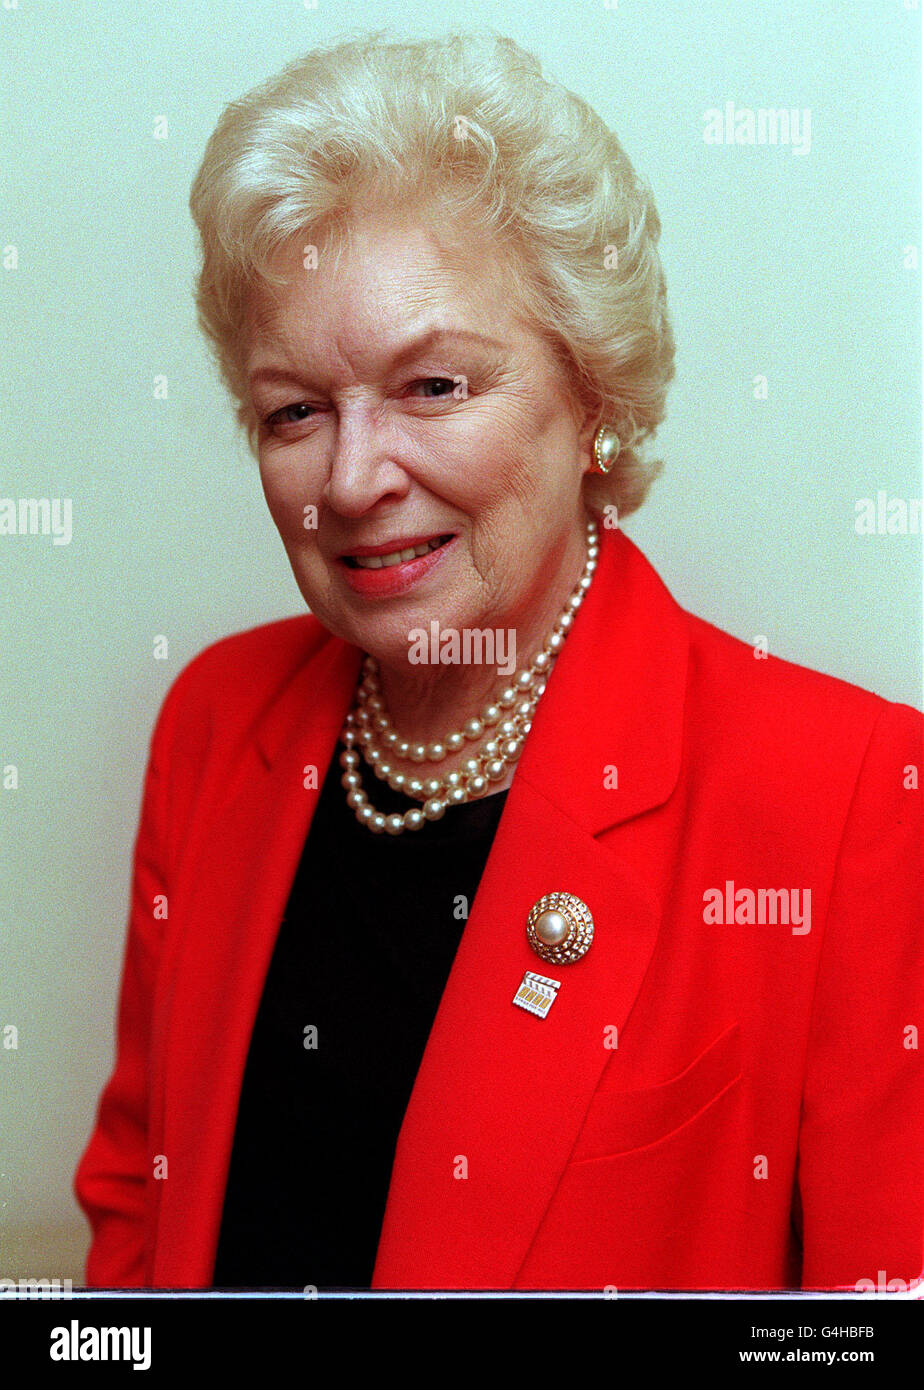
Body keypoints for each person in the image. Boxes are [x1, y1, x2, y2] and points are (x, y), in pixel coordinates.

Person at [73, 31, 923, 1292]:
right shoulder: (213, 721)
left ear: (594, 397)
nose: (353, 480)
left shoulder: (850, 797)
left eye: (431, 385)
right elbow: (139, 1225)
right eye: (294, 410)